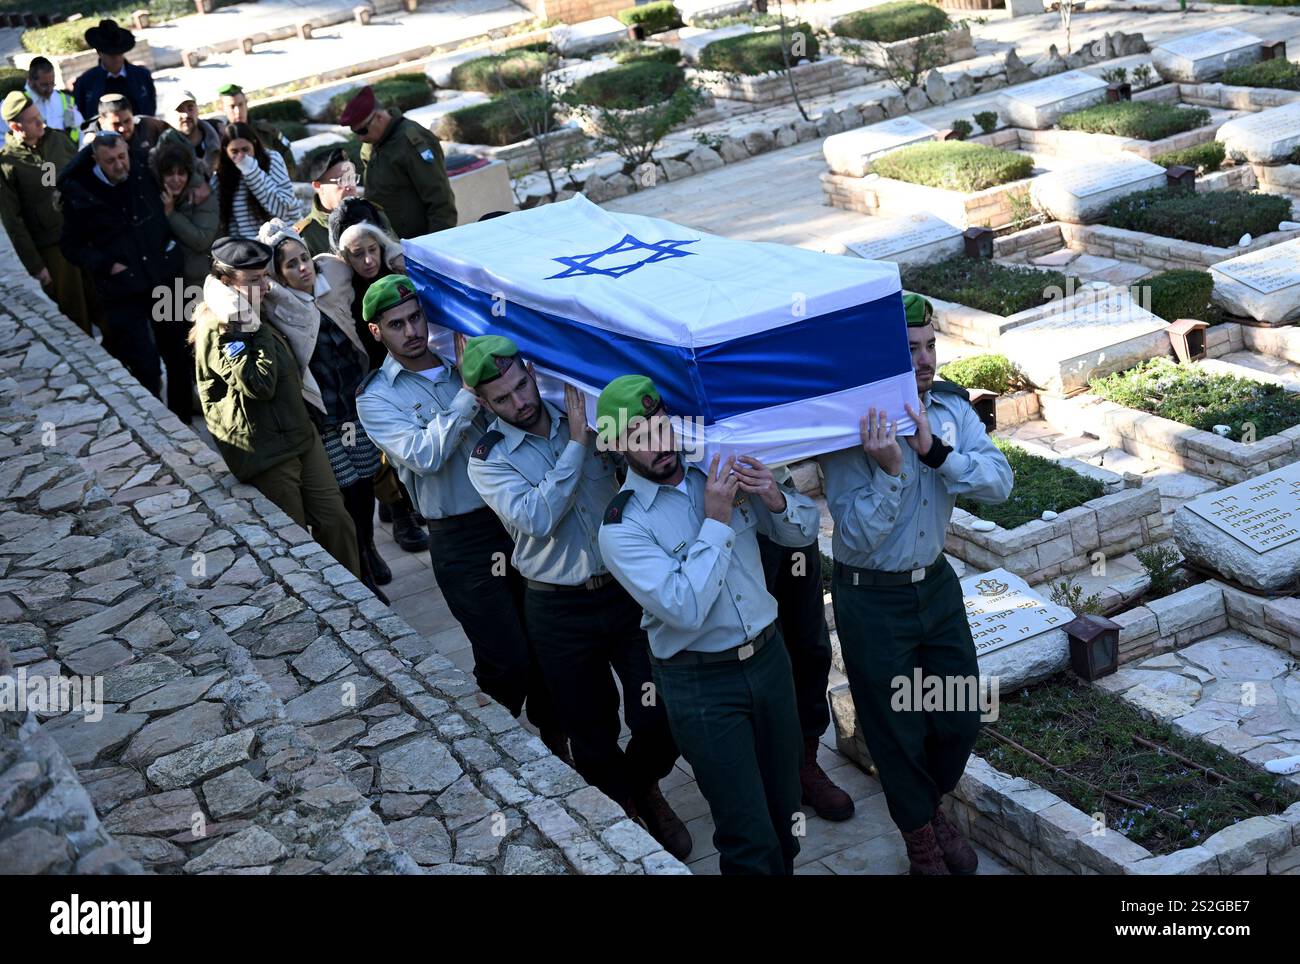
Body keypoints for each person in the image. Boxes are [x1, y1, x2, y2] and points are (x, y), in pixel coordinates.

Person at [463, 336, 689, 860]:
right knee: (590, 728)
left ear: (531, 369)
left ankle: (641, 785)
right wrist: (578, 444)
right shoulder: (488, 459)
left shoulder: (586, 412)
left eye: (522, 384)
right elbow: (538, 518)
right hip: (556, 606)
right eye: (503, 398)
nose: (520, 401)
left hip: (626, 593)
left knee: (659, 709)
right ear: (482, 403)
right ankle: (623, 817)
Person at [817, 294, 1013, 875]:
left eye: (931, 346)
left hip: (936, 586)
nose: (925, 361)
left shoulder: (950, 410)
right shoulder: (851, 430)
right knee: (896, 726)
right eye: (909, 351)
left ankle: (926, 809)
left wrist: (932, 451)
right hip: (871, 596)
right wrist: (893, 471)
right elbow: (858, 533)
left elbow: (1001, 484)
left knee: (959, 712)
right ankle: (921, 837)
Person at [597, 375, 820, 876]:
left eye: (661, 427)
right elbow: (685, 608)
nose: (659, 444)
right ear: (614, 444)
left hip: (768, 660)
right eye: (639, 435)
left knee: (785, 813)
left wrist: (773, 497)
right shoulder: (622, 526)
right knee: (745, 830)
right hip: (703, 682)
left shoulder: (714, 472)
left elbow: (802, 533)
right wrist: (716, 521)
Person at [355, 276, 563, 758]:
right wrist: (468, 394)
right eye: (396, 324)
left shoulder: (460, 359)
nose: (411, 331)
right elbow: (424, 455)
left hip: (514, 516)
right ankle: (488, 749)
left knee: (545, 648)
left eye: (416, 317)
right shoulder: (376, 397)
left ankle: (559, 747)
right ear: (375, 332)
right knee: (505, 660)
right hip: (462, 536)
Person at [192, 236, 361, 578]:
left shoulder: (259, 307)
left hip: (301, 435)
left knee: (337, 521)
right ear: (226, 284)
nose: (264, 287)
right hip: (266, 452)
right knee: (295, 542)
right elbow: (258, 383)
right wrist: (251, 330)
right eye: (252, 281)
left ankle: (358, 591)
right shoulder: (222, 325)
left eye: (263, 277)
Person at [259, 218, 390, 601]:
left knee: (366, 480)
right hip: (323, 409)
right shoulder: (274, 301)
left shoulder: (332, 272)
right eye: (291, 264)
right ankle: (359, 567)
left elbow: (370, 249)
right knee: (343, 487)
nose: (303, 269)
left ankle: (368, 545)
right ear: (277, 273)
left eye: (304, 258)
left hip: (355, 397)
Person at [59, 131, 179, 396]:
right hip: (121, 289)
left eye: (122, 156)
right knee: (145, 366)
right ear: (96, 160)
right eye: (110, 161)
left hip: (159, 277)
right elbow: (70, 246)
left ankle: (182, 418)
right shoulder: (80, 192)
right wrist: (105, 265)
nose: (119, 165)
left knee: (178, 353)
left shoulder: (141, 169)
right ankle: (156, 421)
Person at [756, 510, 855, 823]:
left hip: (780, 504)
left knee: (810, 645)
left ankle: (806, 762)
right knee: (759, 654)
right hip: (715, 515)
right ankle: (764, 772)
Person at [0, 90, 89, 333]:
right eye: (32, 120)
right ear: (16, 127)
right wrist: (36, 266)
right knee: (75, 316)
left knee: (104, 306)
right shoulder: (8, 164)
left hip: (84, 237)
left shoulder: (58, 140)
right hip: (53, 249)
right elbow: (13, 223)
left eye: (39, 116)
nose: (41, 123)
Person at [151, 139, 218, 421]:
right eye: (170, 173)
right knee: (175, 356)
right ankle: (182, 416)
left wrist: (171, 215)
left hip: (195, 287)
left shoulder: (202, 195)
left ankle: (213, 409)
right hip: (164, 287)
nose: (176, 179)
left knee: (202, 352)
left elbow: (202, 239)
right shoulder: (152, 193)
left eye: (181, 173)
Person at [338, 85, 456, 240]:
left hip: (417, 242)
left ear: (379, 117)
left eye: (362, 131)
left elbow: (440, 200)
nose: (360, 138)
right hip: (389, 241)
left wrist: (435, 244)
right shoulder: (371, 144)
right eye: (355, 133)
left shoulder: (411, 141)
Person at [296, 148, 395, 258]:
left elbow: (395, 256)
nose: (349, 187)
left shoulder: (374, 214)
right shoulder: (306, 235)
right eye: (341, 180)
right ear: (318, 186)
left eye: (352, 178)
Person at [216, 121, 300, 239]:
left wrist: (252, 172)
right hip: (250, 247)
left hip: (284, 238)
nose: (241, 156)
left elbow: (282, 209)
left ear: (254, 144)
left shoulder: (272, 160)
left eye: (245, 150)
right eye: (234, 152)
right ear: (226, 150)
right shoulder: (223, 174)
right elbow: (229, 223)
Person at [72, 19, 157, 122]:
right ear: (99, 53)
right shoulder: (85, 82)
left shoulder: (142, 76)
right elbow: (83, 114)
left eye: (119, 53)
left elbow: (150, 108)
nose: (116, 58)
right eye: (110, 54)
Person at [216, 83, 298, 181]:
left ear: (246, 103)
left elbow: (287, 156)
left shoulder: (266, 131)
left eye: (241, 104)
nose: (238, 111)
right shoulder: (220, 138)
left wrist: (284, 182)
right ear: (222, 108)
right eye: (232, 106)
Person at [87, 93, 170, 157]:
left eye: (127, 121)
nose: (123, 128)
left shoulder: (149, 125)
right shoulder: (92, 143)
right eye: (116, 124)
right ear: (102, 122)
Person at [24, 57, 83, 145]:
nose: (49, 89)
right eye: (44, 85)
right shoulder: (21, 103)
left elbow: (79, 128)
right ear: (30, 81)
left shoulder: (65, 99)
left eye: (52, 83)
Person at [169, 89, 221, 179]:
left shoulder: (219, 137)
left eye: (190, 108)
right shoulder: (166, 150)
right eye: (180, 110)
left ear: (197, 111)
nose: (186, 115)